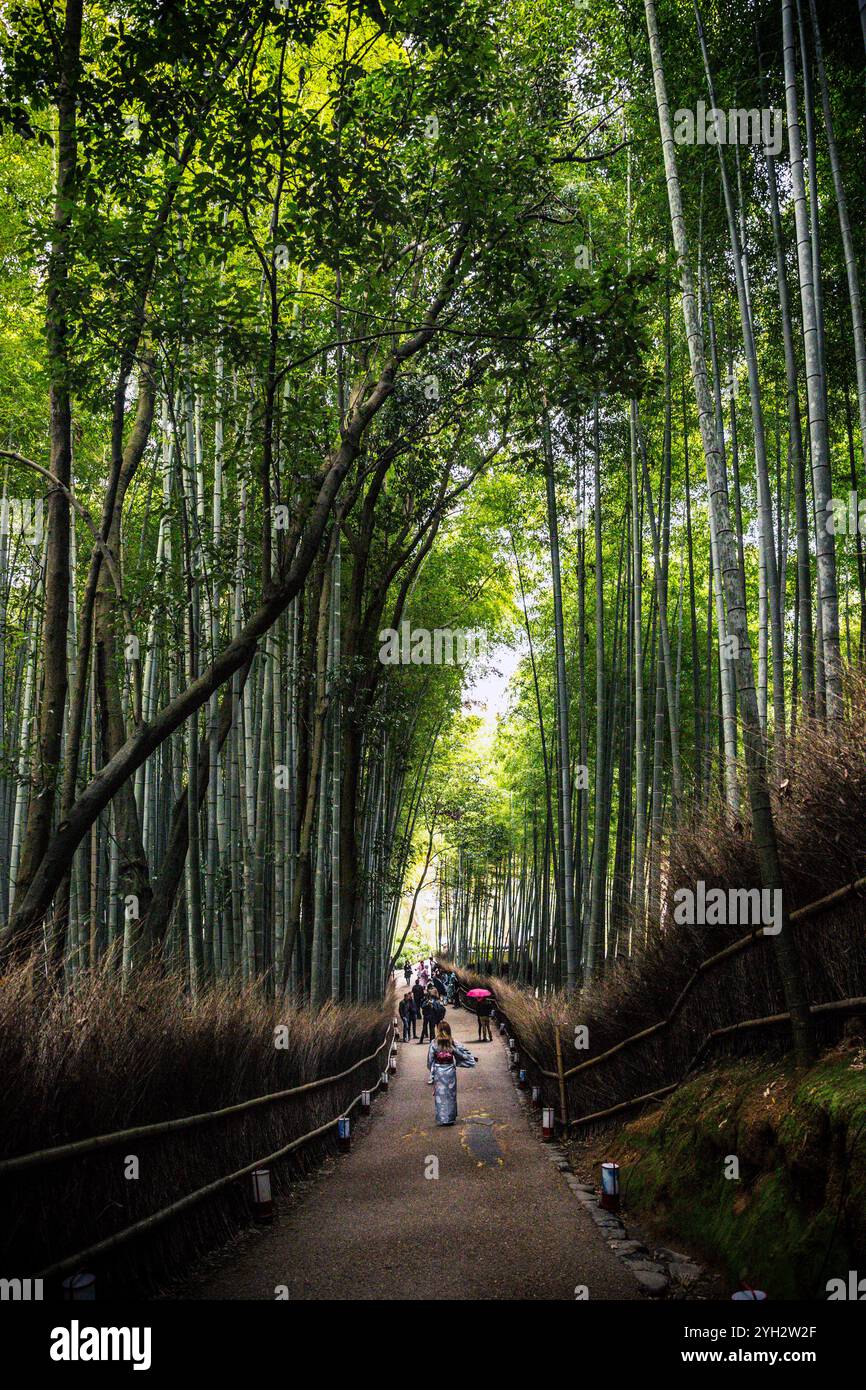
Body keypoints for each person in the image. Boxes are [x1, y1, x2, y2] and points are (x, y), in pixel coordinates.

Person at [427, 1022, 477, 1125]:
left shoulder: (434, 1043)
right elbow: (462, 1053)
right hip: (450, 1071)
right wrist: (467, 1059)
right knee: (450, 1095)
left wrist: (432, 1070)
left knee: (440, 1095)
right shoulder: (452, 1042)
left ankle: (442, 1118)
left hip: (439, 1071)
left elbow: (430, 1059)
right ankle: (450, 1118)